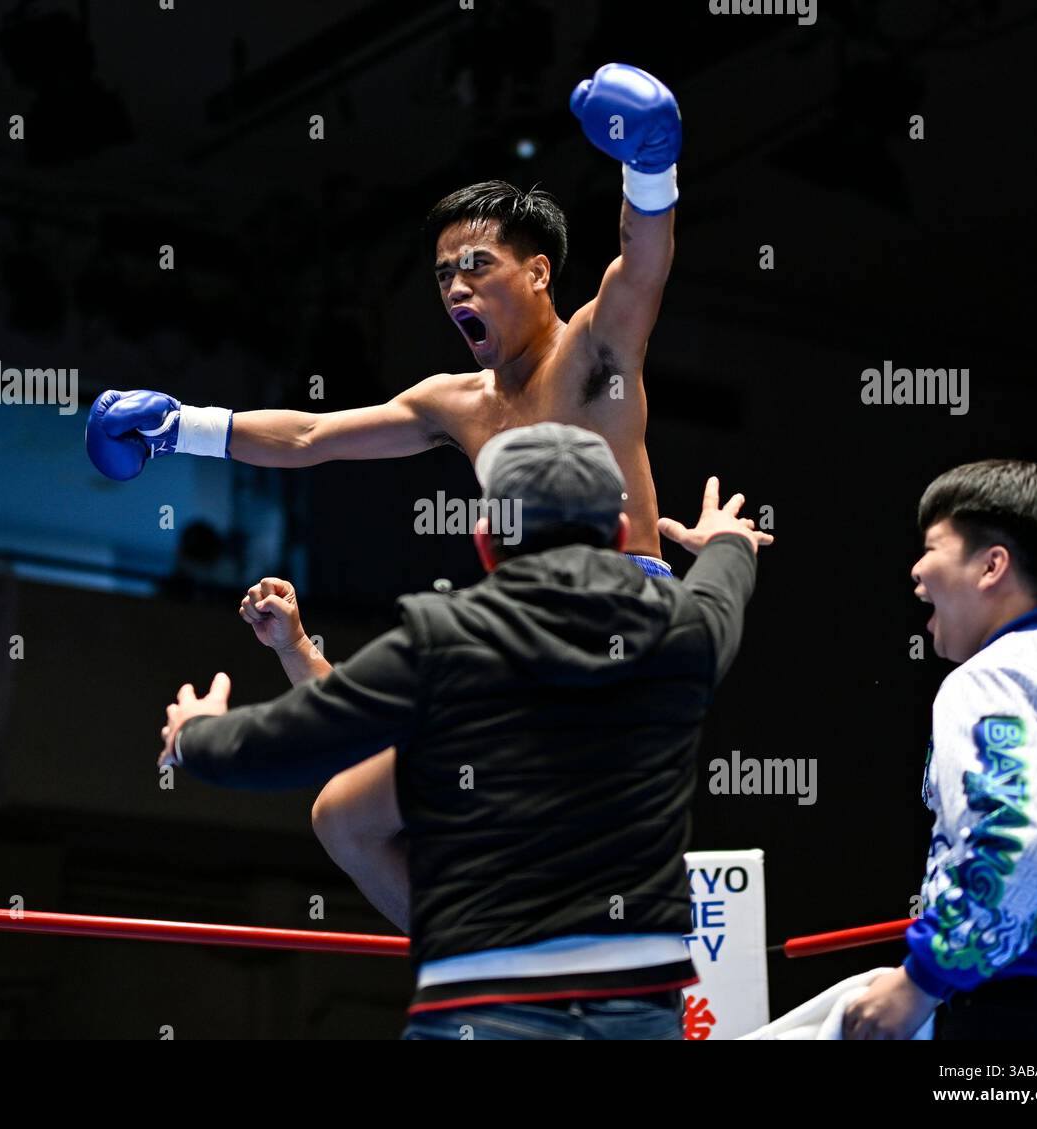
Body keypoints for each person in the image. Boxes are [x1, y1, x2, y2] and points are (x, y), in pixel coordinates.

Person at [88, 62, 705, 925]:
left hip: (621, 628)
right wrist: (179, 425)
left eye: (477, 264)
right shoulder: (455, 402)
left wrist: (651, 161)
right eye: (443, 271)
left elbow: (644, 262)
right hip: (524, 636)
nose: (455, 285)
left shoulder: (597, 349)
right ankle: (481, 957)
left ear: (538, 274)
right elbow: (310, 435)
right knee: (345, 814)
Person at [156, 424, 769, 1039]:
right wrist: (726, 540)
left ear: (485, 542)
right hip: (636, 1008)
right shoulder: (685, 630)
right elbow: (724, 580)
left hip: (485, 1005)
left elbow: (283, 746)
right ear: (615, 537)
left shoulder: (445, 637)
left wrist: (195, 736)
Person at [844, 459, 1037, 1040]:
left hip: (1019, 1008)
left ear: (993, 565)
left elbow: (1017, 837)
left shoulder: (992, 679)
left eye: (932, 547)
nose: (917, 572)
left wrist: (924, 978)